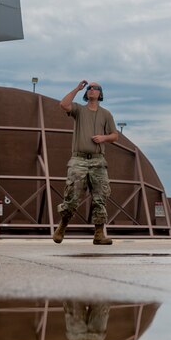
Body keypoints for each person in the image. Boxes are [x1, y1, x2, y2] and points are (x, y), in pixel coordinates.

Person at [53, 81, 121, 246]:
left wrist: (103, 138)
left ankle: (99, 234)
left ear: (100, 94)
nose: (92, 90)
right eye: (89, 88)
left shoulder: (106, 114)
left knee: (100, 197)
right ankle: (62, 226)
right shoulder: (79, 110)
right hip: (79, 159)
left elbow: (115, 135)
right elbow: (63, 104)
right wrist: (77, 88)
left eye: (95, 88)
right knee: (72, 197)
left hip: (98, 160)